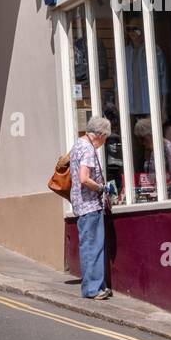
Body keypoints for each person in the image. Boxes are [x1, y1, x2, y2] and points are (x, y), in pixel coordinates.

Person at [69, 114, 112, 300]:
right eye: (105, 138)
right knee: (92, 248)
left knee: (90, 246)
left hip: (82, 205)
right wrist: (102, 188)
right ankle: (92, 289)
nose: (104, 142)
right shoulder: (87, 149)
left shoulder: (78, 144)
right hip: (89, 205)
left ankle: (96, 286)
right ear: (100, 135)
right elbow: (84, 178)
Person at [133, 117, 171, 193]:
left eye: (143, 139)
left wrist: (165, 186)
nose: (142, 143)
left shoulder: (167, 148)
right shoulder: (152, 151)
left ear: (150, 135)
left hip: (168, 197)